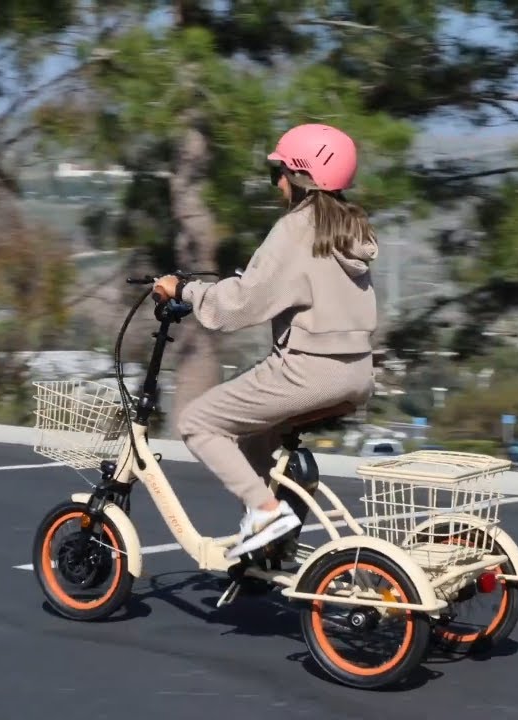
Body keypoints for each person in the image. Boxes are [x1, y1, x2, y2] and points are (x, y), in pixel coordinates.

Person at [152, 123, 379, 560]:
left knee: (197, 421)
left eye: (278, 172)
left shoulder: (296, 229)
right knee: (254, 440)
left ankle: (267, 514)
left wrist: (185, 291)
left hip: (307, 370)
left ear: (300, 175)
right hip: (357, 374)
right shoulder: (351, 229)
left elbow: (237, 306)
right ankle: (270, 549)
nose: (276, 183)